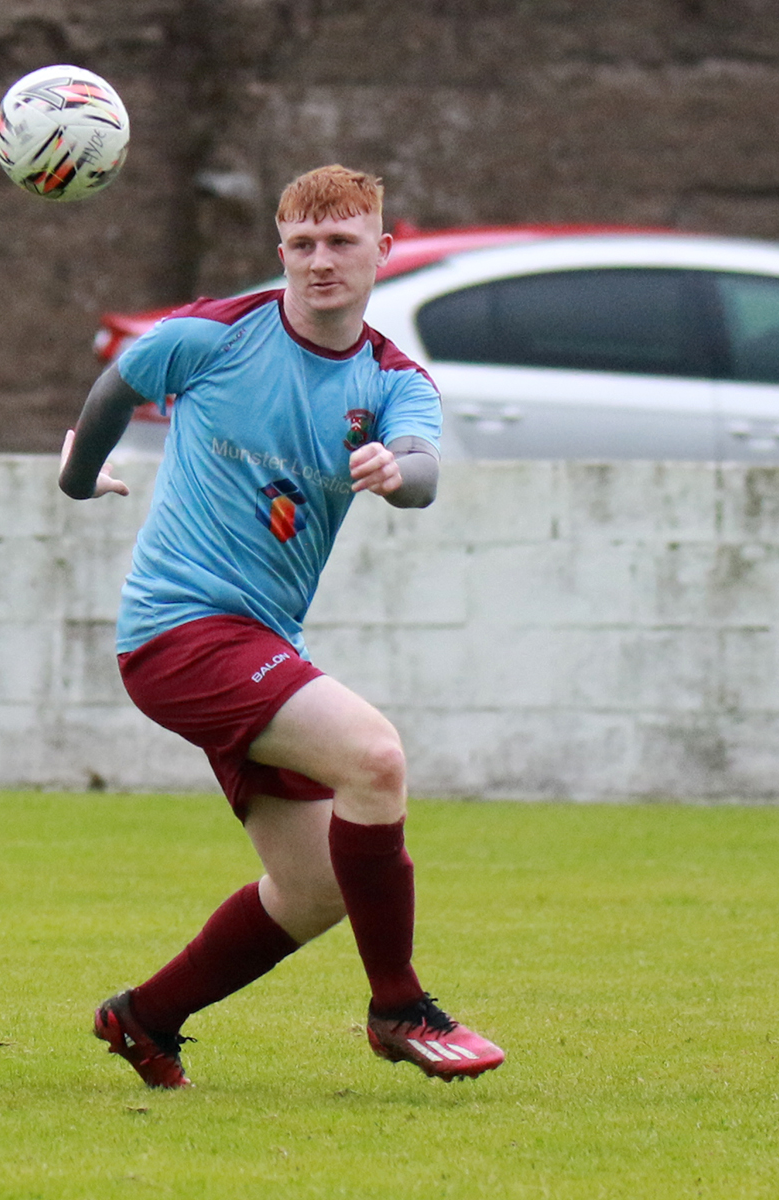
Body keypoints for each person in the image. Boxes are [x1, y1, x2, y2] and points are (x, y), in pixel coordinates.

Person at [58, 164, 504, 1087]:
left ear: (382, 252)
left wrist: (395, 471)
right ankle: (398, 1008)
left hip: (260, 644)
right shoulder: (217, 334)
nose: (319, 262)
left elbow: (423, 470)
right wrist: (77, 477)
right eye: (300, 245)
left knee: (317, 889)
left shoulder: (390, 379)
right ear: (281, 253)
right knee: (374, 758)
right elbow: (115, 385)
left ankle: (144, 1016)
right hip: (177, 632)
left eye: (341, 242)